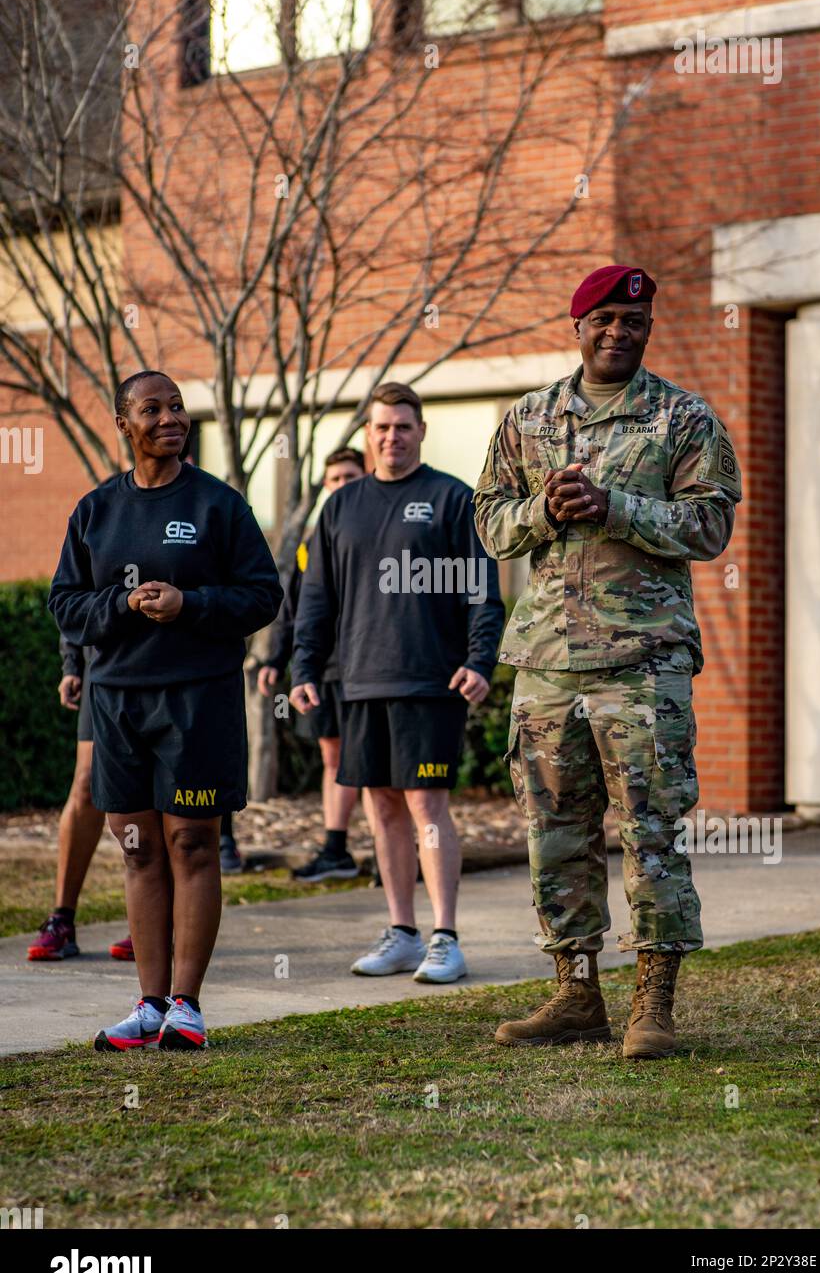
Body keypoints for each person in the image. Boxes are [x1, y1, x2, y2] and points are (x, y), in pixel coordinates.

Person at [474, 265, 742, 1058]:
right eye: (605, 318)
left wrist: (616, 507)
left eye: (634, 319)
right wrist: (540, 511)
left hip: (642, 659)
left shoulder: (682, 418)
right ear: (578, 325)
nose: (619, 331)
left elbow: (709, 527)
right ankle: (575, 994)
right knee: (554, 830)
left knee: (651, 830)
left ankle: (652, 1003)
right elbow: (490, 522)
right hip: (548, 660)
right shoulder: (525, 419)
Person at [48, 370, 282, 1051]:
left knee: (191, 843)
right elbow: (65, 606)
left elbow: (262, 595)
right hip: (117, 701)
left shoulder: (218, 505)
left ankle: (187, 1005)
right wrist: (120, 605)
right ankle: (147, 1005)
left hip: (197, 699)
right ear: (124, 425)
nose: (169, 417)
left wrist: (191, 604)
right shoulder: (95, 511)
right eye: (152, 409)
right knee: (139, 847)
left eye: (176, 406)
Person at [290, 383, 504, 983]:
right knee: (380, 807)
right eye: (382, 427)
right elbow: (316, 600)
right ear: (367, 434)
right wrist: (305, 669)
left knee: (427, 805)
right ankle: (403, 931)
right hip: (359, 681)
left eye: (403, 427)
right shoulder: (340, 506)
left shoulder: (451, 499)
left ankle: (446, 937)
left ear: (420, 431)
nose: (392, 437)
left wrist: (480, 660)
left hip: (430, 681)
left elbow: (482, 591)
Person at [257, 447, 378, 882]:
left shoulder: (378, 528)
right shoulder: (314, 542)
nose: (342, 485)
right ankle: (335, 849)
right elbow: (297, 605)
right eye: (335, 479)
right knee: (335, 758)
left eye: (350, 476)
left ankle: (388, 851)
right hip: (325, 667)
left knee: (373, 762)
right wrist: (276, 657)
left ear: (366, 475)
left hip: (370, 665)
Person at [27, 637, 133, 962]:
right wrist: (72, 662)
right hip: (103, 662)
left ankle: (153, 923)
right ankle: (61, 919)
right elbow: (74, 588)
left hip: (166, 663)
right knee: (86, 782)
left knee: (148, 790)